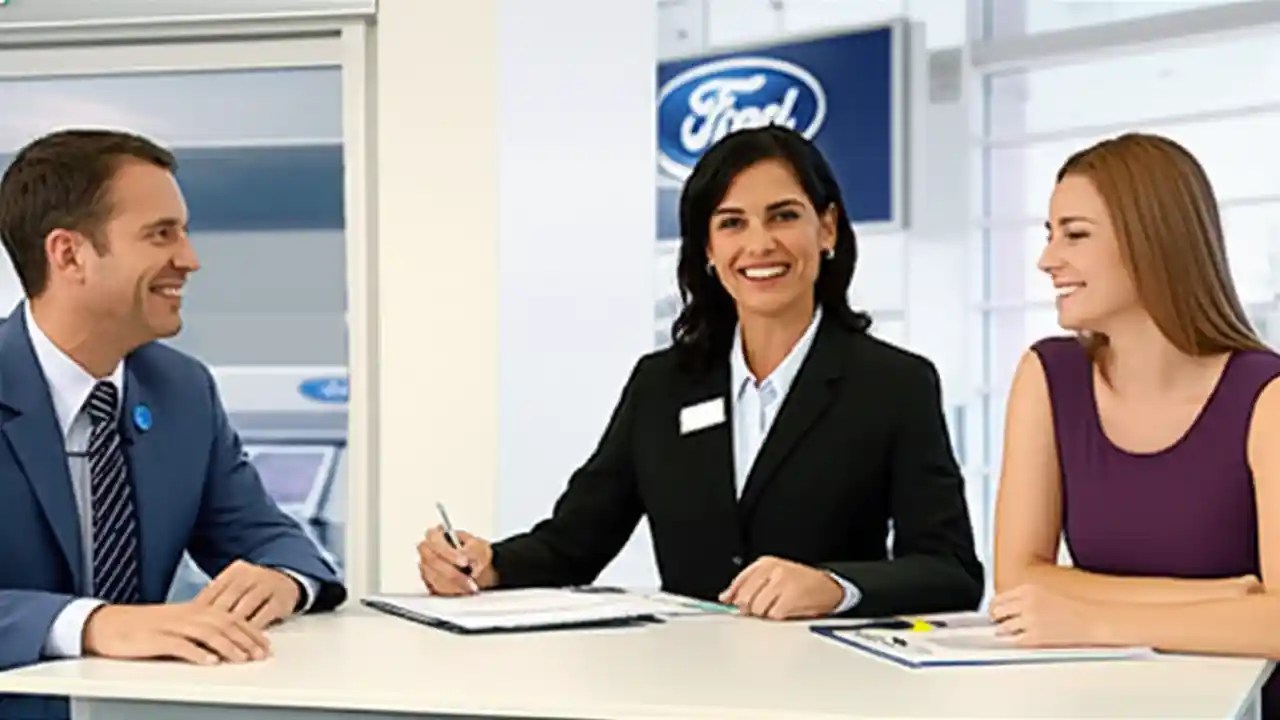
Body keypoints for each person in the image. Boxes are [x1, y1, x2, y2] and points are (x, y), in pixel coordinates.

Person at [418, 125, 983, 619]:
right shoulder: (661, 385)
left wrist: (836, 587)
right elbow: (575, 543)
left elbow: (951, 570)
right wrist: (486, 565)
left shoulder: (894, 384)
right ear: (709, 250)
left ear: (827, 228)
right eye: (732, 223)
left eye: (784, 216)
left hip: (829, 688)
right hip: (684, 688)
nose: (760, 243)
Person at [0, 129, 347, 720]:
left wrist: (283, 578)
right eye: (161, 234)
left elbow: (271, 538)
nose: (189, 259)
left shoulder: (182, 391)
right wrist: (93, 624)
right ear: (69, 254)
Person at [991, 132, 1280, 714]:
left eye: (1075, 234)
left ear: (1154, 242)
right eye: (1050, 235)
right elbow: (1018, 582)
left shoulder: (1266, 396)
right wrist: (1217, 599)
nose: (1048, 260)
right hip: (1100, 702)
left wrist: (1091, 618)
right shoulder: (1048, 375)